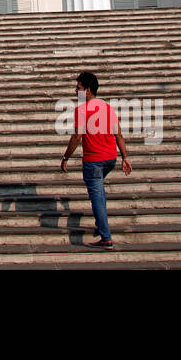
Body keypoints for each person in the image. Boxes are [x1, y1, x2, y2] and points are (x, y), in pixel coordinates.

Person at [60, 71, 132, 250]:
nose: (75, 92)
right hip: (110, 158)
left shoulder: (82, 110)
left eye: (78, 88)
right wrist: (125, 157)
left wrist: (65, 157)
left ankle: (106, 237)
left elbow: (77, 136)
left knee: (97, 197)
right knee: (98, 192)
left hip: (94, 160)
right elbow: (119, 135)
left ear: (88, 90)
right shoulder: (108, 108)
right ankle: (101, 224)